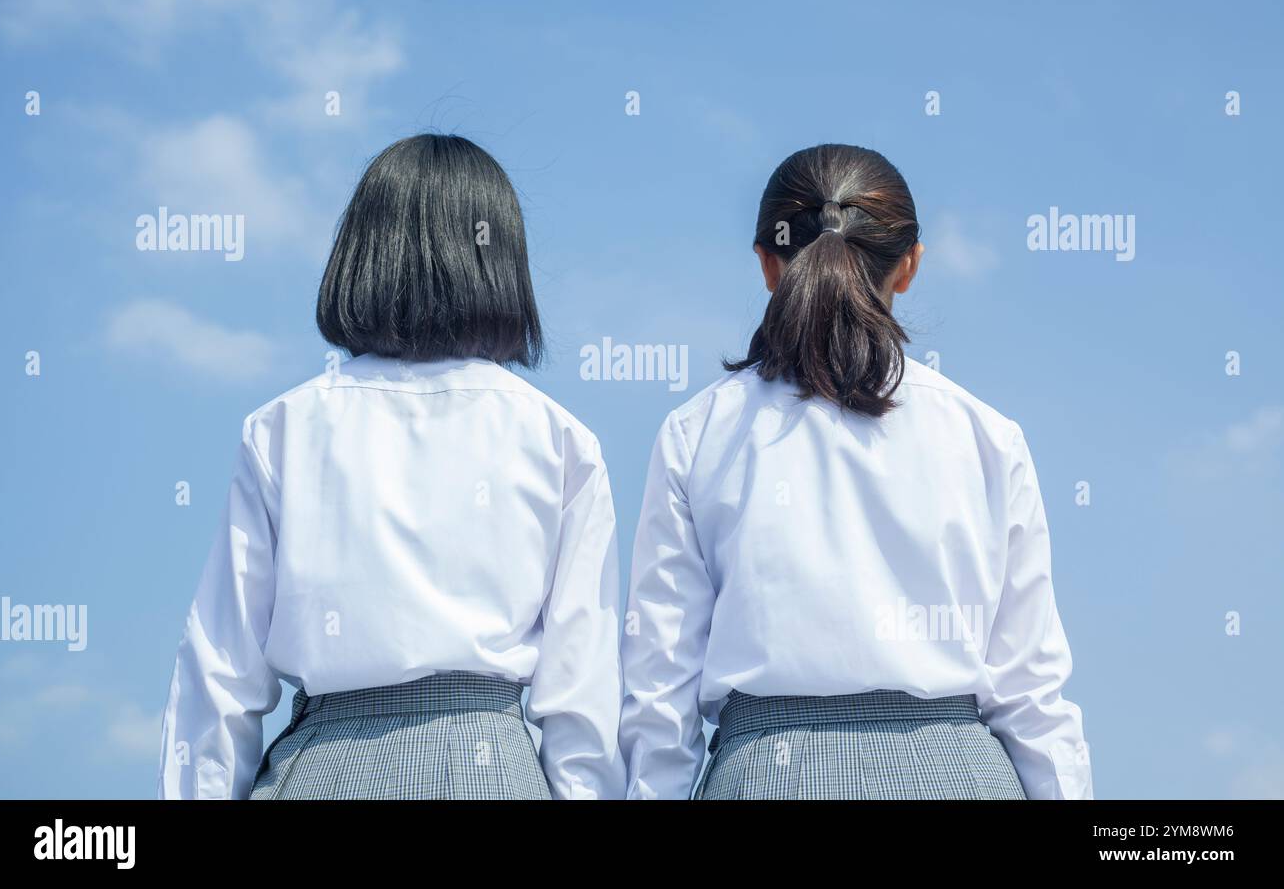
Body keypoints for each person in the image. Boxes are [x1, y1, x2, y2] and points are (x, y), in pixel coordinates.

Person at [158, 134, 624, 800]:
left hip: (321, 769)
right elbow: (582, 699)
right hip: (493, 769)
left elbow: (220, 677)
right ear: (503, 262)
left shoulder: (282, 428)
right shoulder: (561, 440)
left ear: (360, 253)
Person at [619, 144, 1092, 800]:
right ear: (910, 265)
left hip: (765, 776)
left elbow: (659, 693)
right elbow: (1032, 691)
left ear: (765, 263)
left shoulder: (697, 434)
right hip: (959, 776)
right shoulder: (988, 437)